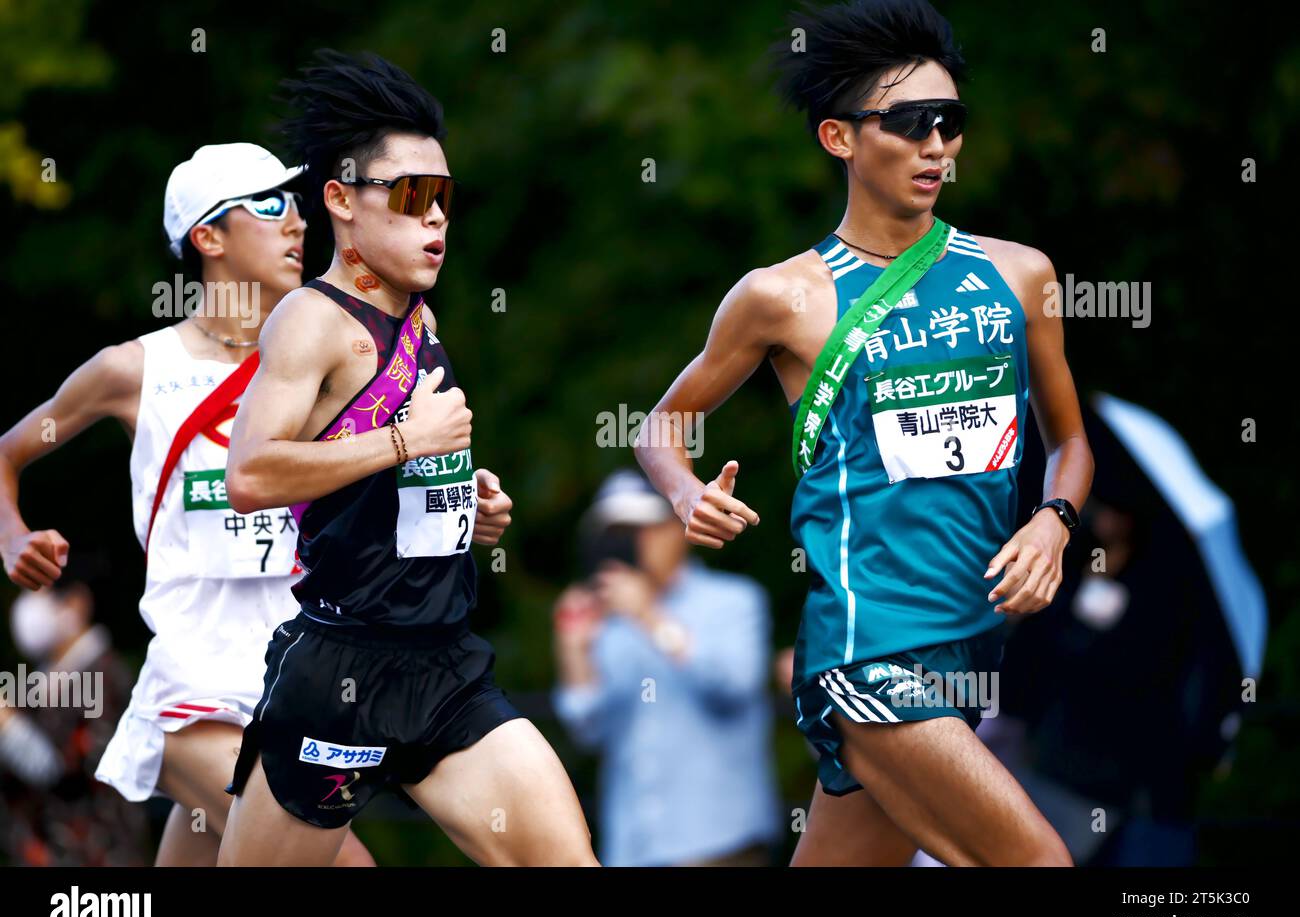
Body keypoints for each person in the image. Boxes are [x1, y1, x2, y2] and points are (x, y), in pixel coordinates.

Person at [634, 0, 1093, 866]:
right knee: (1039, 862)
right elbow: (663, 425)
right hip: (868, 649)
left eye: (950, 122)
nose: (937, 146)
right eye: (911, 123)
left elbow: (1070, 443)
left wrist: (1053, 521)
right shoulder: (783, 296)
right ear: (839, 138)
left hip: (969, 650)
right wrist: (685, 492)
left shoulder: (1020, 274)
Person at [218, 50, 596, 866]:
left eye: (446, 199)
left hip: (446, 668)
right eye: (414, 197)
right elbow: (248, 477)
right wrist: (404, 443)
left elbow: (393, 469)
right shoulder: (311, 321)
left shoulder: (418, 316)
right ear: (341, 202)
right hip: (340, 675)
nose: (437, 220)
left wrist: (466, 497)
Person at [0, 142, 372, 866]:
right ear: (207, 237)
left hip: (292, 686)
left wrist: (465, 508)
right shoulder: (136, 369)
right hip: (193, 694)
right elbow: (5, 453)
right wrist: (11, 537)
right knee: (343, 865)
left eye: (297, 205)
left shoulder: (314, 369)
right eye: (269, 206)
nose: (297, 223)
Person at [552, 470, 782, 866]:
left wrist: (650, 617)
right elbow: (588, 731)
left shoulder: (733, 601)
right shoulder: (608, 622)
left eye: (640, 529)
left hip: (722, 847)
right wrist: (574, 651)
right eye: (616, 534)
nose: (631, 545)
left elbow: (735, 685)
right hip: (632, 850)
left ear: (677, 529)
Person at [0, 554, 149, 866]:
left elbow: (78, 778)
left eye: (41, 593)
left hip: (100, 858)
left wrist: (10, 730)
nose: (29, 608)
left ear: (77, 603)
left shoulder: (106, 676)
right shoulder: (43, 681)